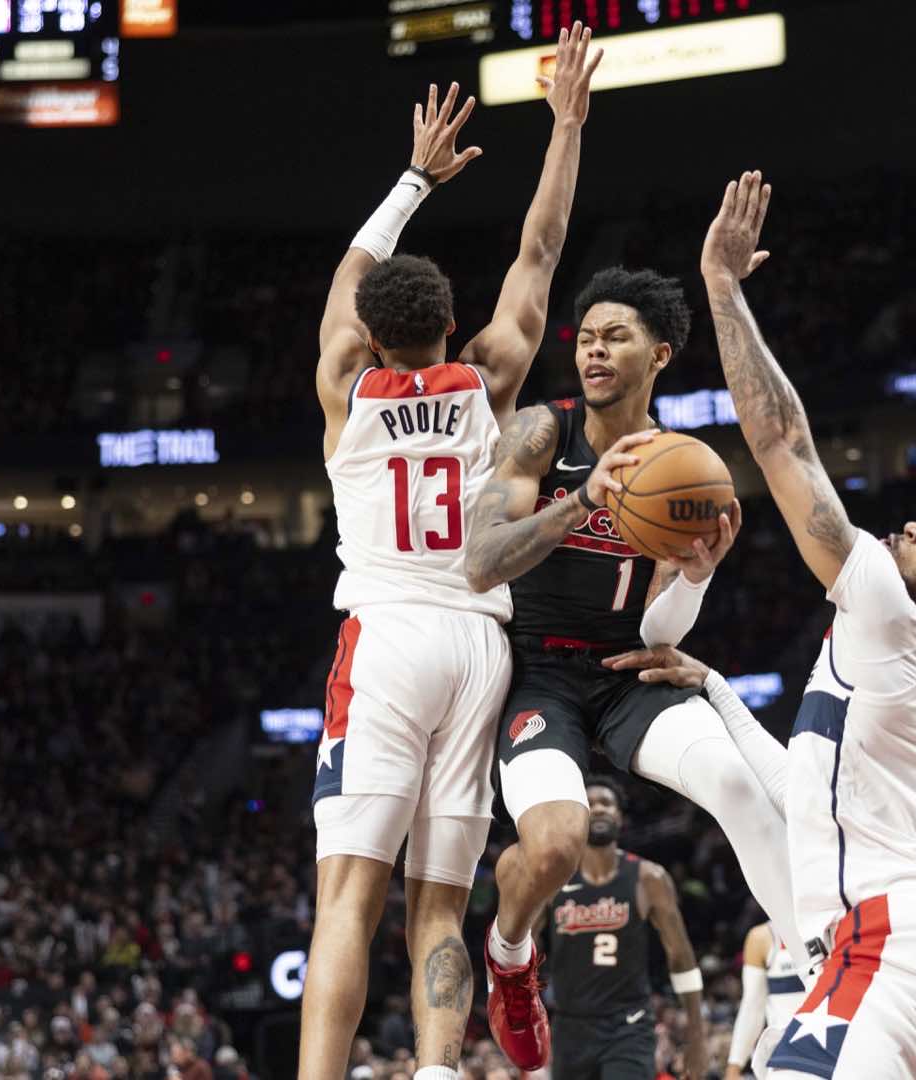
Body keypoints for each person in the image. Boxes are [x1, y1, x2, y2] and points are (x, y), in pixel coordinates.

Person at [605, 170, 916, 1078]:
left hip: (894, 942)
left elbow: (781, 440)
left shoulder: (893, 615)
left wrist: (720, 290)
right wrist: (714, 685)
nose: (913, 525)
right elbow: (802, 790)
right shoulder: (899, 655)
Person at [298, 24, 603, 1080]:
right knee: (440, 898)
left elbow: (348, 276)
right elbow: (540, 252)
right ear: (450, 326)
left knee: (348, 893)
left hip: (384, 639)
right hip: (477, 641)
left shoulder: (348, 388)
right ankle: (436, 1069)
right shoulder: (489, 379)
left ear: (374, 340)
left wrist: (414, 180)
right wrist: (566, 125)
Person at [464, 269, 810, 1066]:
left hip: (626, 671)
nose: (593, 350)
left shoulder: (683, 465)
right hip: (540, 673)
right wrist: (582, 500)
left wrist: (697, 574)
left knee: (735, 779)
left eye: (614, 336)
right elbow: (481, 563)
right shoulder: (541, 436)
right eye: (585, 337)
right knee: (553, 846)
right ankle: (511, 958)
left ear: (659, 353)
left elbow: (660, 629)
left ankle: (818, 962)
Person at [534, 776, 706, 1080]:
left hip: (629, 1025)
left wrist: (697, 1034)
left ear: (620, 817)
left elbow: (681, 956)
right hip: (570, 1028)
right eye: (590, 804)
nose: (599, 809)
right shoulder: (552, 881)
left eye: (607, 803)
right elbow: (522, 946)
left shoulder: (649, 878)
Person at [727, 922, 810, 1080]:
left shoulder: (834, 921)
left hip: (834, 1050)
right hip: (786, 1058)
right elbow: (752, 1007)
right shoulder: (762, 938)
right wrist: (734, 1066)